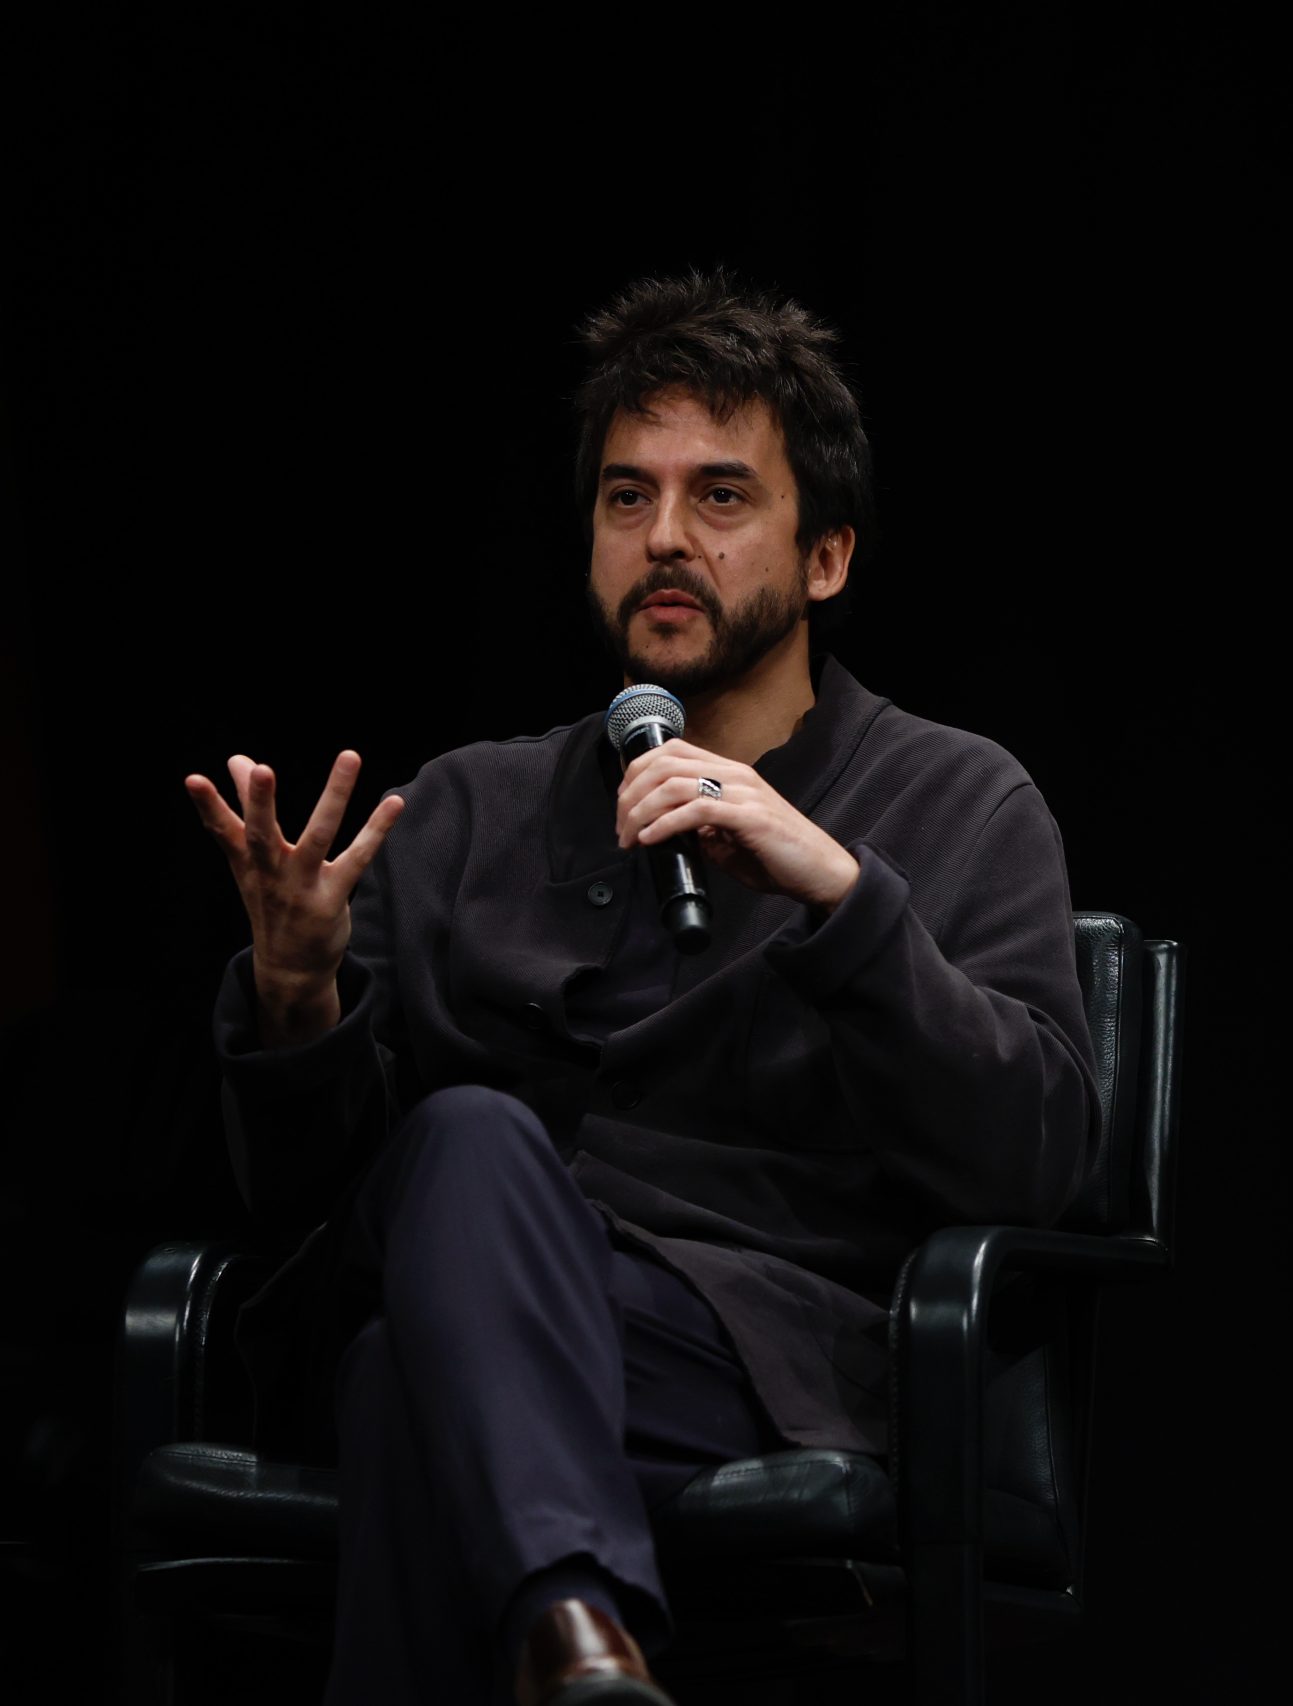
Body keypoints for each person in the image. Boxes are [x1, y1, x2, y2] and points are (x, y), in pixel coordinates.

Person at [182, 271, 1099, 1706]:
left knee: (397, 1393)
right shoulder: (472, 808)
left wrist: (841, 892)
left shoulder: (954, 798)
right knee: (470, 1154)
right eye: (626, 497)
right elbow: (302, 1195)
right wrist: (297, 997)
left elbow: (1034, 1155)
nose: (665, 537)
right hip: (481, 1295)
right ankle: (580, 1642)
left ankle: (567, 1624)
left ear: (827, 557)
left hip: (744, 1364)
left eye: (721, 497)